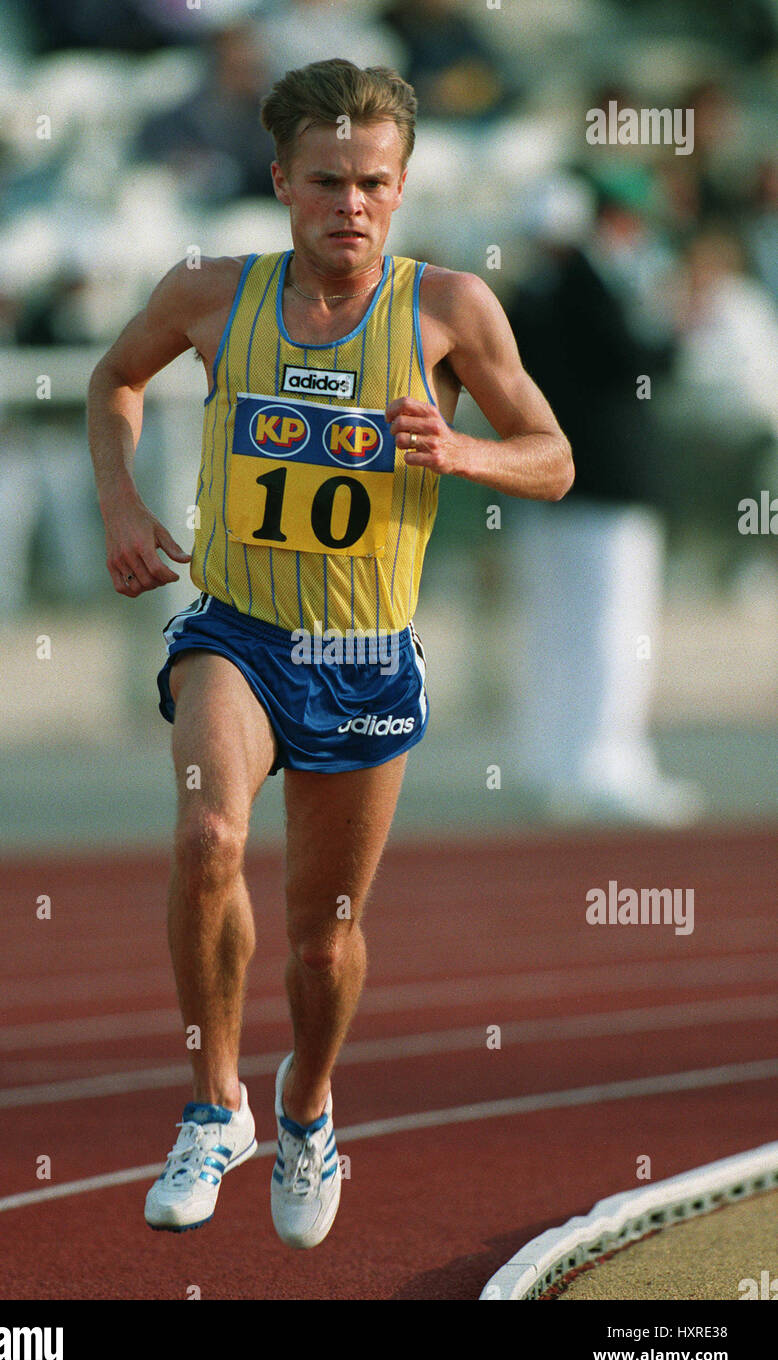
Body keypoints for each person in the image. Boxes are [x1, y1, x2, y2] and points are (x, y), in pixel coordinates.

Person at [87, 58, 572, 1250]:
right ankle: (213, 1105)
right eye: (324, 181)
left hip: (362, 652)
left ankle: (305, 1104)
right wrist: (123, 506)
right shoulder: (209, 293)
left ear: (399, 189)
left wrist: (462, 457)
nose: (347, 203)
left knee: (321, 935)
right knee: (207, 834)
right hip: (235, 631)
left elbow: (551, 456)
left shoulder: (449, 309)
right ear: (280, 183)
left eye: (370, 182)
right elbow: (113, 379)